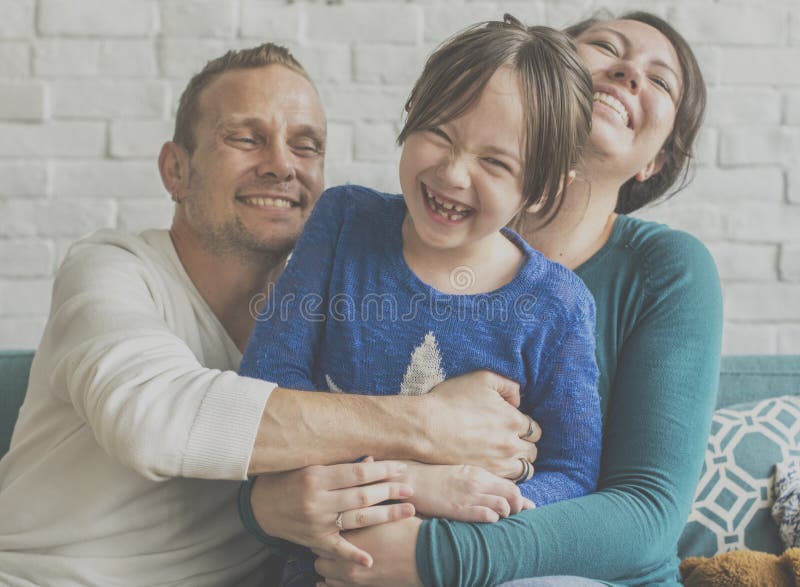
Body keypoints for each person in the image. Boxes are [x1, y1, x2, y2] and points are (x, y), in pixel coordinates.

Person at [0, 44, 540, 586]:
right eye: (244, 138)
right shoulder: (111, 270)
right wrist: (431, 423)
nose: (282, 165)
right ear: (176, 170)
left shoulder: (328, 322)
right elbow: (152, 420)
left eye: (306, 147)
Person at [243, 11, 723, 587]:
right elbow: (261, 426)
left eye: (660, 79)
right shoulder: (353, 225)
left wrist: (435, 532)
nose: (627, 74)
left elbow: (615, 497)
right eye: (605, 47)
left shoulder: (588, 294)